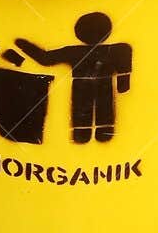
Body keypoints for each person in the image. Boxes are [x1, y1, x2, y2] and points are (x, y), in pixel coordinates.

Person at [15, 12, 132, 144]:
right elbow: (124, 72)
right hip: (103, 84)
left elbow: (45, 58)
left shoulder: (74, 52)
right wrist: (123, 85)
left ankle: (84, 134)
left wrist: (24, 45)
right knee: (104, 110)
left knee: (83, 113)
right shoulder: (118, 50)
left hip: (81, 86)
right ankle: (102, 133)